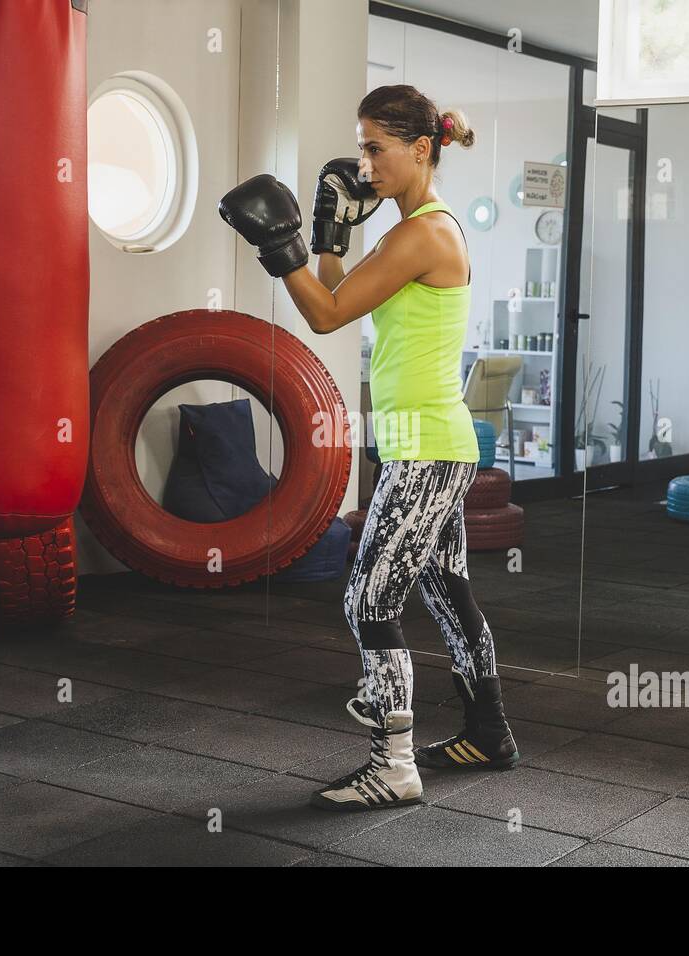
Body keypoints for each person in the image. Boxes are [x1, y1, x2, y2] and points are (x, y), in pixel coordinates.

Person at [219, 84, 517, 812]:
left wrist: (277, 244)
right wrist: (325, 237)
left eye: (376, 148)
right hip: (430, 442)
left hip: (429, 452)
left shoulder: (425, 233)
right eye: (361, 147)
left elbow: (322, 316)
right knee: (447, 593)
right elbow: (342, 295)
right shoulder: (410, 229)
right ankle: (488, 732)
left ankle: (394, 766)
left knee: (367, 601)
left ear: (421, 150)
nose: (364, 164)